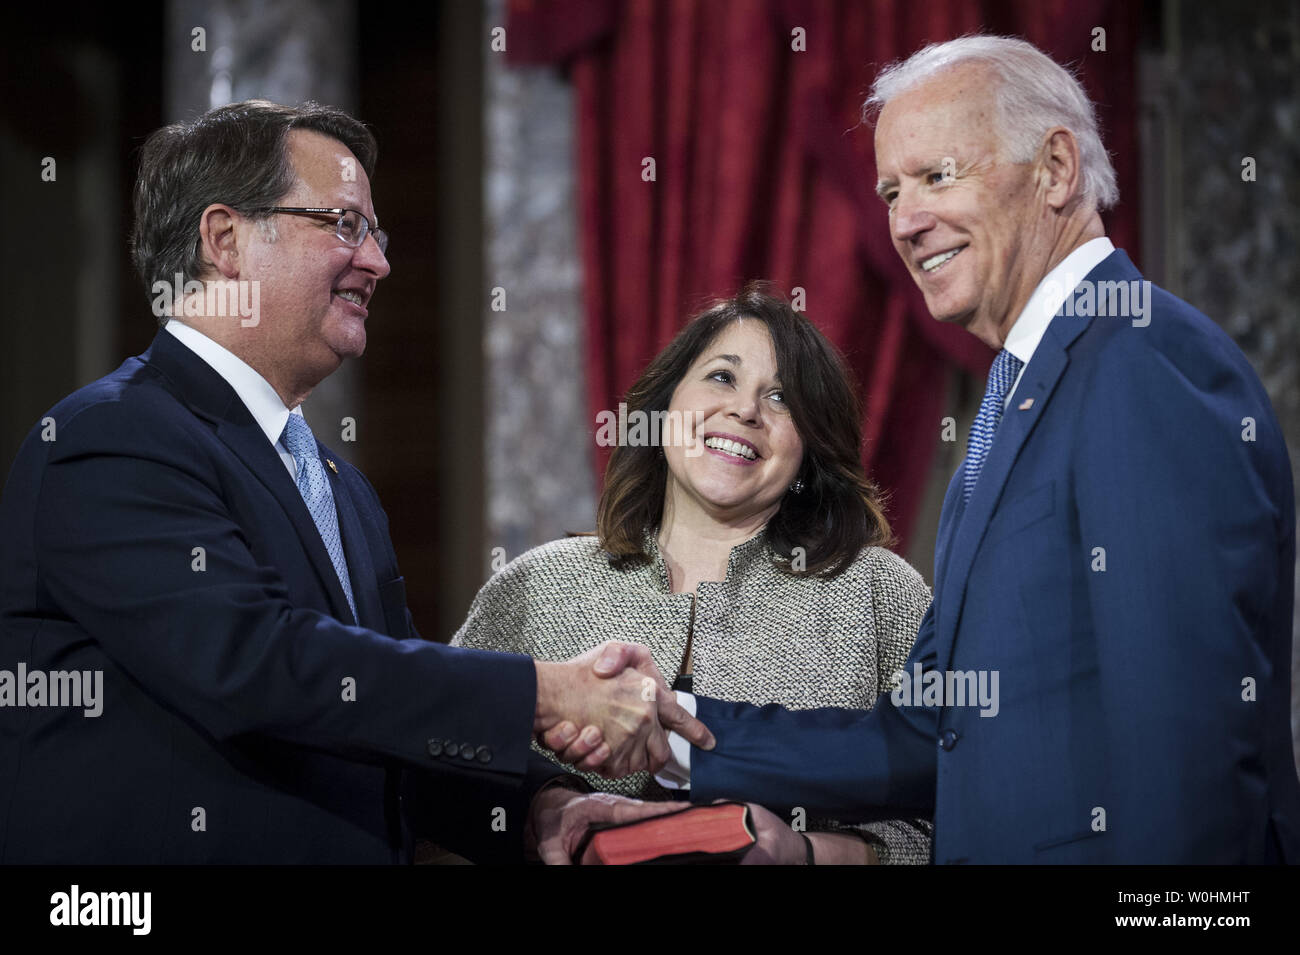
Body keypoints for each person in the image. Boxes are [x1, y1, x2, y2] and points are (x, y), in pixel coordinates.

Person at [551, 36, 1300, 863]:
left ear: (1055, 169)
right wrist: (674, 730)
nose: (905, 221)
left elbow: (1186, 753)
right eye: (890, 191)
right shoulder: (1023, 391)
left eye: (939, 176)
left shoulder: (1140, 364)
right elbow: (924, 735)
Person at [0, 99, 710, 864]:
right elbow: (256, 664)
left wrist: (545, 804)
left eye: (375, 232)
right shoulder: (112, 436)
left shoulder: (339, 486)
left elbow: (378, 721)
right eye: (344, 225)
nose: (377, 261)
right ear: (225, 239)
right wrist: (540, 691)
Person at [455, 286, 934, 864]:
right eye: (722, 378)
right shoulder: (534, 586)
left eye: (782, 398)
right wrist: (542, 813)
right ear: (663, 409)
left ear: (810, 448)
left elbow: (947, 820)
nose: (746, 410)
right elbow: (440, 775)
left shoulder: (880, 592)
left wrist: (804, 853)